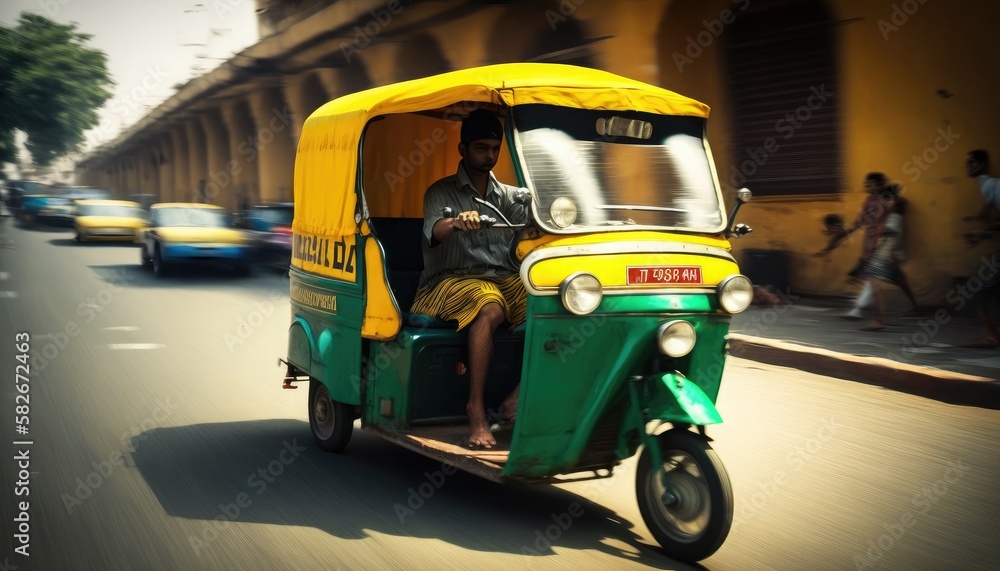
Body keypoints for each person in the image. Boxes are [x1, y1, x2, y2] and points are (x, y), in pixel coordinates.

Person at [410, 108, 527, 448]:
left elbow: (524, 239)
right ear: (463, 150)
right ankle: (475, 412)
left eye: (494, 148)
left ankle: (516, 400)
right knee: (488, 305)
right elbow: (435, 230)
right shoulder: (440, 192)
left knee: (562, 304)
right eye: (481, 148)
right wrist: (456, 222)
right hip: (447, 282)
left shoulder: (509, 196)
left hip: (504, 279)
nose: (489, 155)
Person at [815, 173, 920, 322]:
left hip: (883, 244)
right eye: (866, 183)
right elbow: (859, 224)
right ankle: (912, 307)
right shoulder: (870, 202)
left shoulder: (888, 201)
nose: (866, 186)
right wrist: (835, 242)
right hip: (875, 243)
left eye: (870, 184)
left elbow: (893, 218)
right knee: (896, 278)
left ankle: (864, 313)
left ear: (879, 184)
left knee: (872, 277)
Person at [959, 149, 1000, 348]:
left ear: (982, 164)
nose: (969, 166)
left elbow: (987, 217)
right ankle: (991, 332)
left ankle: (990, 335)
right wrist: (982, 234)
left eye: (972, 162)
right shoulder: (992, 184)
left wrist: (980, 232)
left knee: (981, 290)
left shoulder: (989, 184)